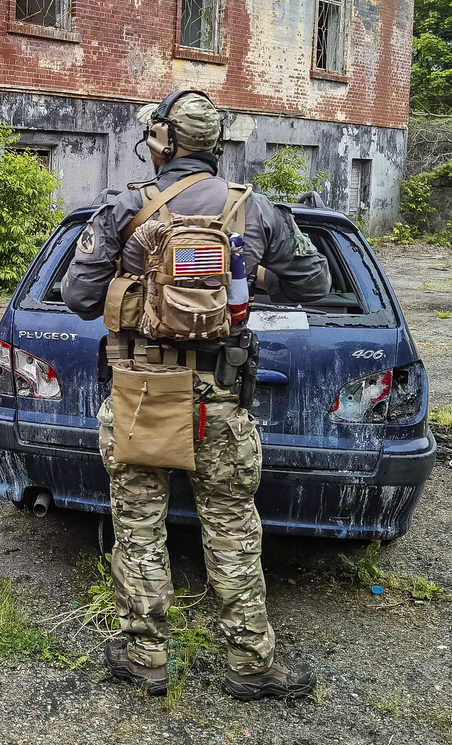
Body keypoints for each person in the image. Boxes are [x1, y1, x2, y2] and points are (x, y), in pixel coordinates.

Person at [62, 90, 330, 701]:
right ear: (214, 144)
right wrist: (252, 273)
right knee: (233, 523)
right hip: (220, 398)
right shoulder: (256, 209)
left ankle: (146, 655)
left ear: (160, 141)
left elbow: (79, 298)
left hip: (139, 393)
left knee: (138, 525)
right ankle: (251, 664)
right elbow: (314, 284)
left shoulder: (124, 208)